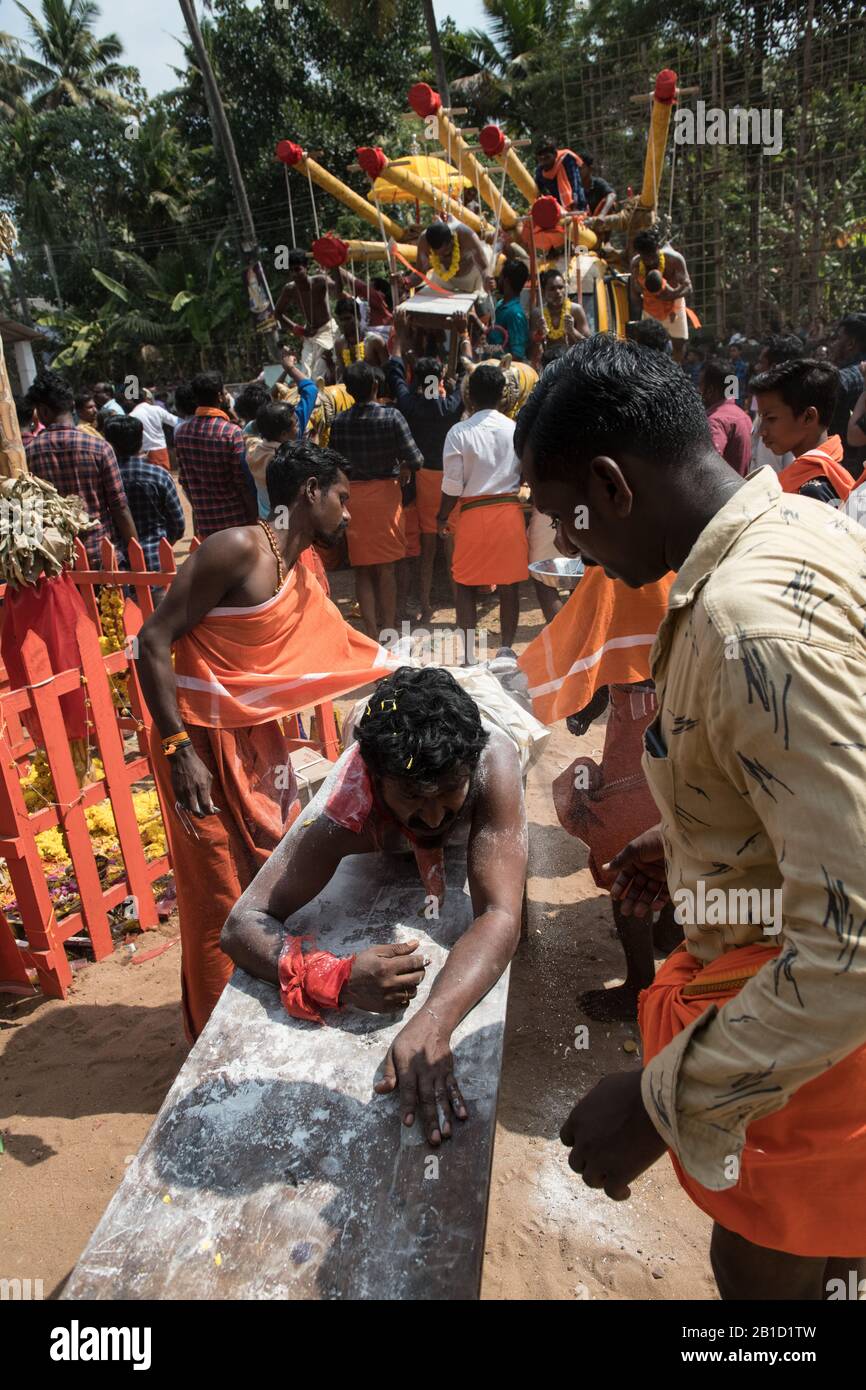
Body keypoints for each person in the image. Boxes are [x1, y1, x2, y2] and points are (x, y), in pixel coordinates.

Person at [517, 335, 866, 1301]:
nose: (568, 548)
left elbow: (848, 945)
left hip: (818, 1048)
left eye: (565, 520)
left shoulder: (747, 622)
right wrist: (690, 838)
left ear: (611, 485)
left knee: (767, 1288)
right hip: (809, 1027)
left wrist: (660, 1103)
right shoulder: (795, 532)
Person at [136, 441, 398, 1040]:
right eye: (341, 497)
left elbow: (342, 650)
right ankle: (214, 1039)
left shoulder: (302, 569)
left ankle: (258, 1018)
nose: (349, 512)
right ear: (308, 492)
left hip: (255, 741)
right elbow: (152, 640)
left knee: (265, 875)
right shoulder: (235, 548)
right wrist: (179, 752)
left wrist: (406, 667)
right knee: (217, 895)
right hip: (196, 746)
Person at [221, 664, 527, 1146]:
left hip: (483, 728)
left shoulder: (493, 761)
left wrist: (432, 1022)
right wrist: (333, 977)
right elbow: (242, 924)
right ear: (375, 781)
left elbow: (500, 913)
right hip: (375, 744)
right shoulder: (349, 802)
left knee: (516, 932)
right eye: (411, 797)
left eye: (450, 792)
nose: (432, 816)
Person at [438, 364, 529, 658]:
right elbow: (526, 473)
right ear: (502, 395)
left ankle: (467, 656)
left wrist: (441, 516)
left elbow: (452, 485)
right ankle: (505, 650)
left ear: (470, 395)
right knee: (509, 584)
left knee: (464, 584)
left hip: (472, 514)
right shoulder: (515, 429)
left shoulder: (458, 432)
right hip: (508, 515)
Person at [329, 361, 423, 640]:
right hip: (385, 498)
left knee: (362, 570)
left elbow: (333, 464)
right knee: (386, 569)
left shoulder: (340, 421)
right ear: (374, 386)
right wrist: (404, 466)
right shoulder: (392, 416)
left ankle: (370, 631)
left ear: (347, 391)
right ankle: (390, 630)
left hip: (353, 499)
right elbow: (416, 458)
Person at [24, 370, 138, 567]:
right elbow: (119, 506)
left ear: (43, 411)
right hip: (103, 554)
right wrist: (135, 552)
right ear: (72, 405)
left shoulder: (29, 453)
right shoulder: (99, 447)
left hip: (60, 560)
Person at [751, 357, 851, 504]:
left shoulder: (812, 492)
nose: (761, 431)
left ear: (808, 417)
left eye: (771, 418)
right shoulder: (831, 473)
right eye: (761, 418)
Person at [174, 370, 256, 538]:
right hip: (237, 523)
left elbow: (185, 482)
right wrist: (256, 516)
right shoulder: (232, 432)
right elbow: (242, 483)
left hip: (206, 524)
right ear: (220, 396)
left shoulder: (181, 433)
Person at [103, 414, 185, 578]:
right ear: (141, 440)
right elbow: (178, 524)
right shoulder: (159, 475)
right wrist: (161, 543)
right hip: (157, 559)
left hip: (118, 564)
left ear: (109, 443)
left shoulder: (102, 477)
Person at [273, 249, 338, 382]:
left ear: (306, 268)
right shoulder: (290, 289)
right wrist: (298, 329)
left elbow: (337, 291)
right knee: (305, 373)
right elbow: (277, 313)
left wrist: (335, 266)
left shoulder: (319, 281)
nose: (294, 274)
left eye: (297, 269)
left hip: (328, 330)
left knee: (321, 371)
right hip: (309, 334)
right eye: (291, 270)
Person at [629, 226, 693, 362]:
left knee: (678, 344)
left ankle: (677, 374)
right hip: (650, 308)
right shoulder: (636, 265)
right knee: (649, 346)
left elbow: (688, 288)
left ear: (658, 247)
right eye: (645, 257)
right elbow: (634, 294)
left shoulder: (674, 259)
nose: (650, 261)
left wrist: (671, 295)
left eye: (652, 255)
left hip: (674, 306)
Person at [750, 334, 803, 472]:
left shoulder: (794, 409)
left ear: (774, 368)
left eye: (761, 362)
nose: (757, 368)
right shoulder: (764, 402)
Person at [698, 358, 753, 476]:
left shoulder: (715, 421)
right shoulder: (743, 416)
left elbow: (709, 467)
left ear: (710, 390)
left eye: (700, 384)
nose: (698, 390)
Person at [828, 311, 866, 477]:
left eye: (838, 338)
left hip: (840, 469)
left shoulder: (841, 379)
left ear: (850, 343)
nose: (833, 344)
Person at [530, 269, 589, 371]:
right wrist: (539, 334)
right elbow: (531, 352)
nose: (558, 292)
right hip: (548, 368)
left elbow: (589, 345)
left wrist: (573, 331)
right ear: (543, 292)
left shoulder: (576, 310)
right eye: (552, 289)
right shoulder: (537, 314)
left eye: (560, 287)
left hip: (572, 365)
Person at [415, 219, 490, 298]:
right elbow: (419, 274)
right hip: (444, 278)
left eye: (447, 253)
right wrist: (406, 281)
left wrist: (487, 279)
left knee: (480, 299)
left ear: (451, 241)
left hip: (471, 275)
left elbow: (484, 267)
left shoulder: (466, 235)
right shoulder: (424, 240)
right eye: (439, 255)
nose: (443, 256)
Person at [489, 260, 530, 362]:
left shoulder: (515, 314)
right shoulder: (500, 304)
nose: (498, 280)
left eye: (500, 276)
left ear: (506, 281)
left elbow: (517, 355)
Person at [129, 387, 178, 470]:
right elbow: (176, 422)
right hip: (161, 451)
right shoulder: (157, 410)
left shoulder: (132, 415)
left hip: (143, 453)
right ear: (146, 398)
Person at [534, 136, 587, 211]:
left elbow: (575, 184)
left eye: (547, 158)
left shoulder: (566, 159)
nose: (544, 162)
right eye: (541, 159)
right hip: (558, 209)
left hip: (578, 205)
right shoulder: (540, 171)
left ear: (555, 154)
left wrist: (575, 205)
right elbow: (540, 192)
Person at [332, 295, 369, 377]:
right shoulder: (339, 345)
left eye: (348, 318)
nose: (344, 323)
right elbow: (341, 376)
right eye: (341, 320)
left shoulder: (373, 342)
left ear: (358, 316)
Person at [577, 152, 616, 217]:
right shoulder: (575, 188)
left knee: (610, 204)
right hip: (583, 222)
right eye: (576, 168)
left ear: (590, 169)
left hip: (601, 222)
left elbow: (612, 195)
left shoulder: (599, 183)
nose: (578, 171)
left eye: (581, 168)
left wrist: (602, 214)